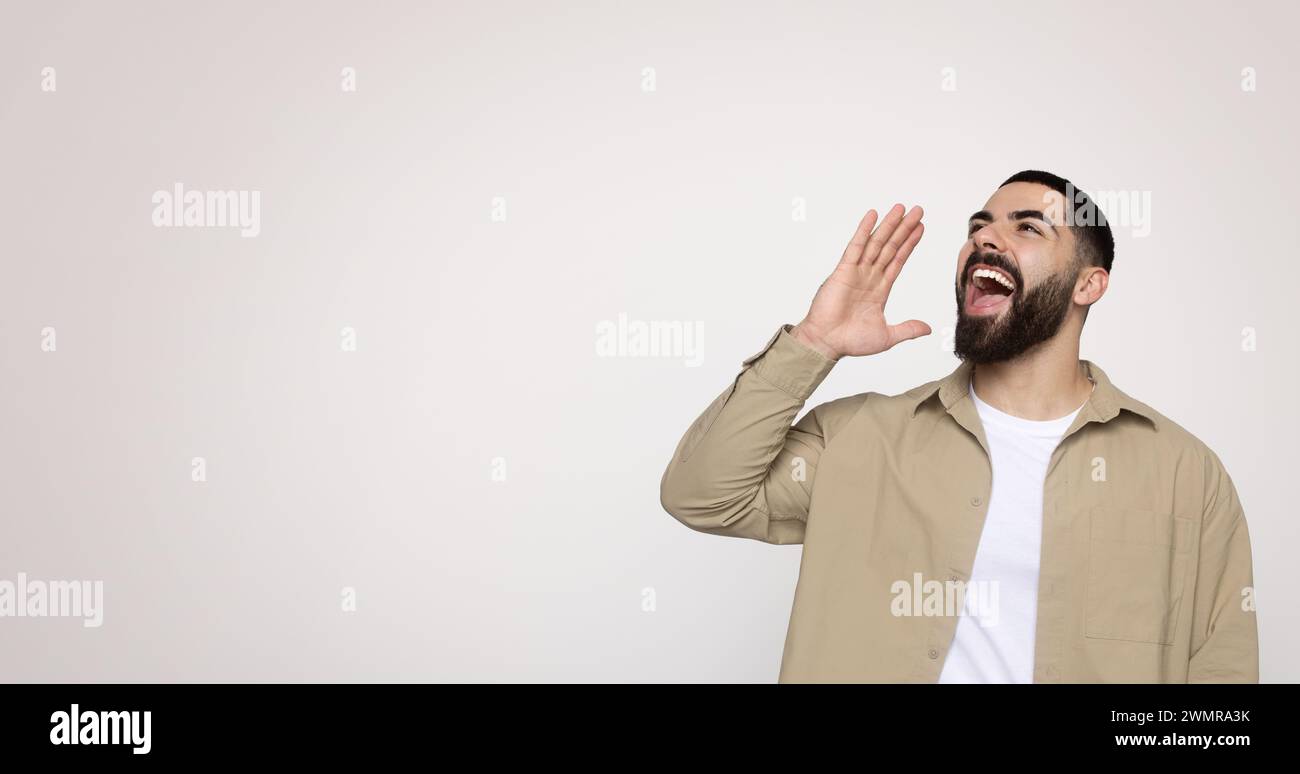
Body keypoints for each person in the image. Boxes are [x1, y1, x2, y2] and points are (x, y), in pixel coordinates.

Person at [659, 170, 1258, 683]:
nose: (984, 238)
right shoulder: (859, 436)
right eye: (978, 226)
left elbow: (1222, 679)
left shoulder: (1184, 473)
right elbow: (702, 497)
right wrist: (812, 344)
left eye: (1027, 227)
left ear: (1089, 283)